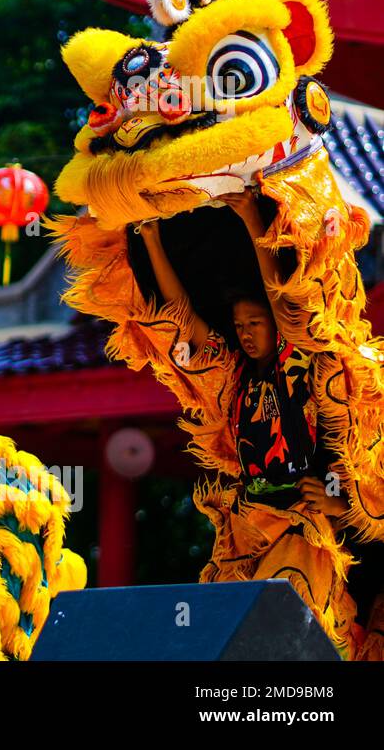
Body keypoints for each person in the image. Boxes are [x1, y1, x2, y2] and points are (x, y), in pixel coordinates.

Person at [138, 187, 372, 656]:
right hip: (246, 530)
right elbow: (184, 316)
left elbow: (279, 296)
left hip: (301, 530)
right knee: (225, 637)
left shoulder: (298, 366)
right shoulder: (238, 381)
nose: (244, 333)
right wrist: (149, 238)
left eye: (254, 323)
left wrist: (249, 217)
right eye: (239, 325)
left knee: (283, 632)